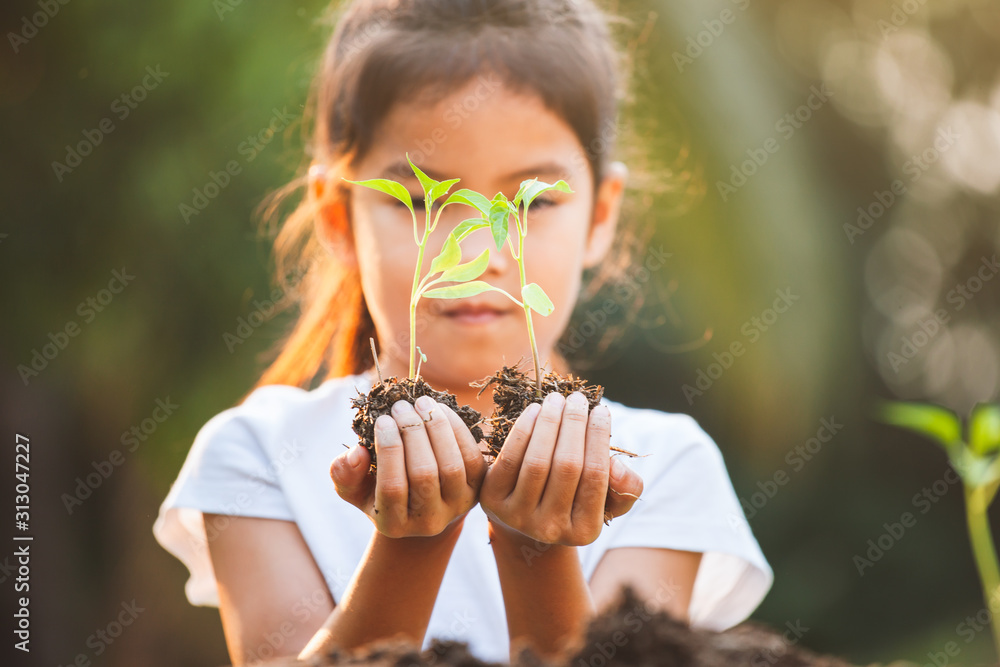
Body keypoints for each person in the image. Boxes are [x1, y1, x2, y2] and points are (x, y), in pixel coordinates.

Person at [152, 0, 773, 664]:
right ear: (338, 216)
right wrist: (411, 544)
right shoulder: (258, 455)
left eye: (533, 201)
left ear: (601, 216)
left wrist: (538, 549)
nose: (479, 247)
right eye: (420, 200)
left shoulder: (662, 468)